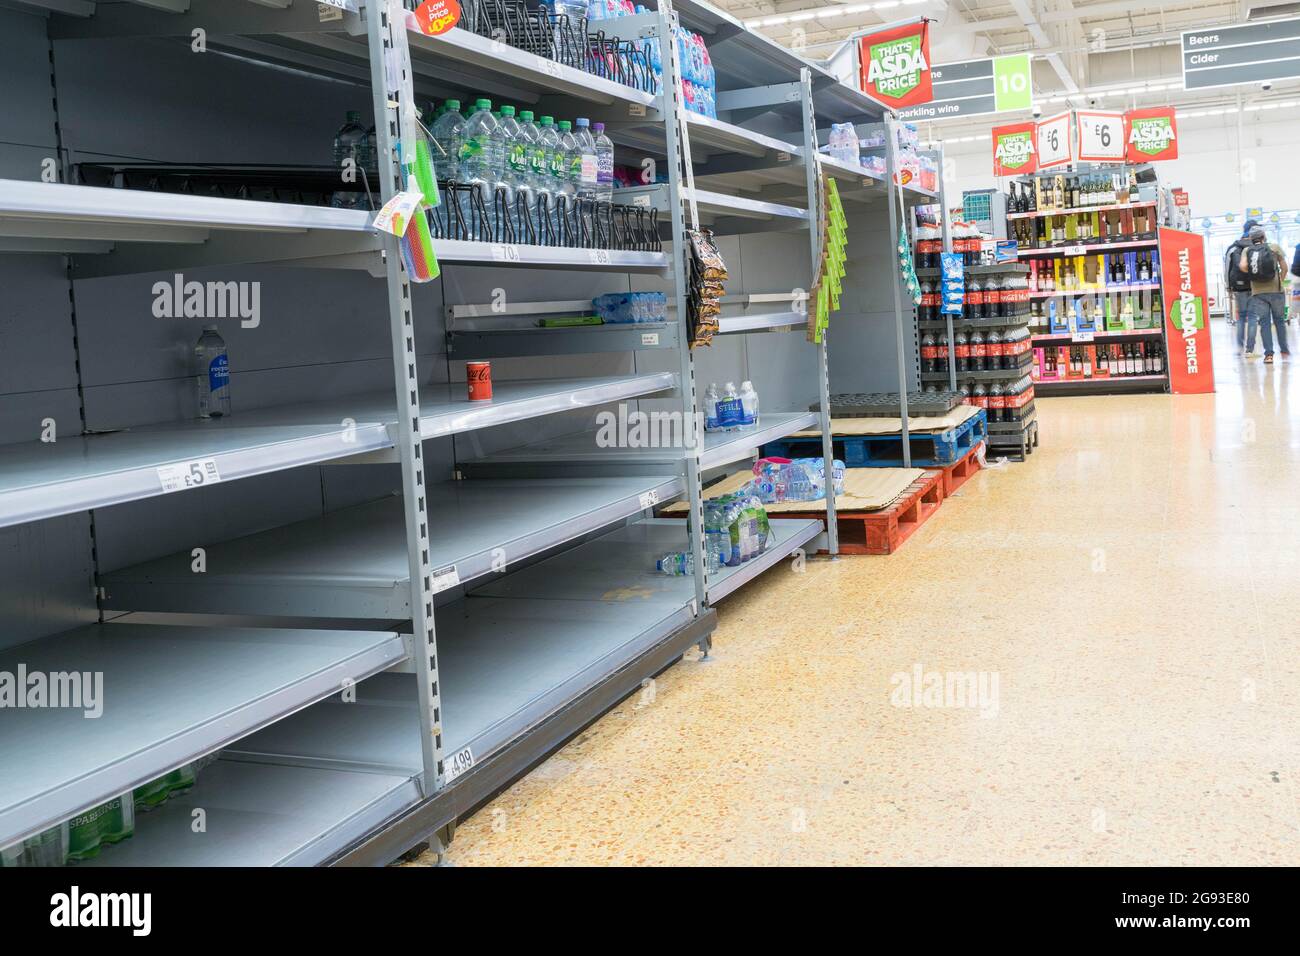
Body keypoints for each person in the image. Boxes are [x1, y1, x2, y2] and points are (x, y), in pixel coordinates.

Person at [1239, 225, 1290, 363]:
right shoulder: (1274, 247)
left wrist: (1254, 272)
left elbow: (1243, 267)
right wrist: (1280, 280)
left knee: (1265, 323)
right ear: (1263, 236)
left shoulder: (1247, 250)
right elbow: (1285, 267)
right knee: (1279, 321)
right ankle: (1284, 350)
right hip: (1276, 291)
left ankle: (1269, 355)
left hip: (1258, 292)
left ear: (1251, 238)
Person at [1224, 219, 1258, 353]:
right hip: (1255, 286)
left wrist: (1228, 286)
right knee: (1253, 317)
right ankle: (1250, 349)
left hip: (1238, 287)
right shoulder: (1257, 247)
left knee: (1241, 317)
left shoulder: (1233, 247)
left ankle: (1239, 346)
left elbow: (1227, 268)